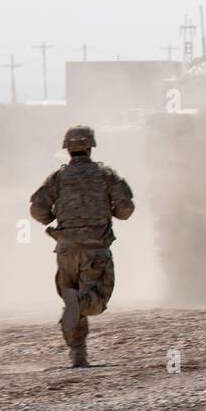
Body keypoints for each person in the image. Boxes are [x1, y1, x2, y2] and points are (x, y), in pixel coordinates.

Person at [29, 125, 135, 367]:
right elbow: (126, 209)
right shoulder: (106, 175)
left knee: (71, 301)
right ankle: (80, 303)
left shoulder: (57, 178)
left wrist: (51, 219)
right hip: (95, 248)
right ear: (90, 147)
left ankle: (78, 357)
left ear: (68, 150)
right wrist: (111, 211)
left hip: (66, 248)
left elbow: (37, 208)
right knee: (96, 300)